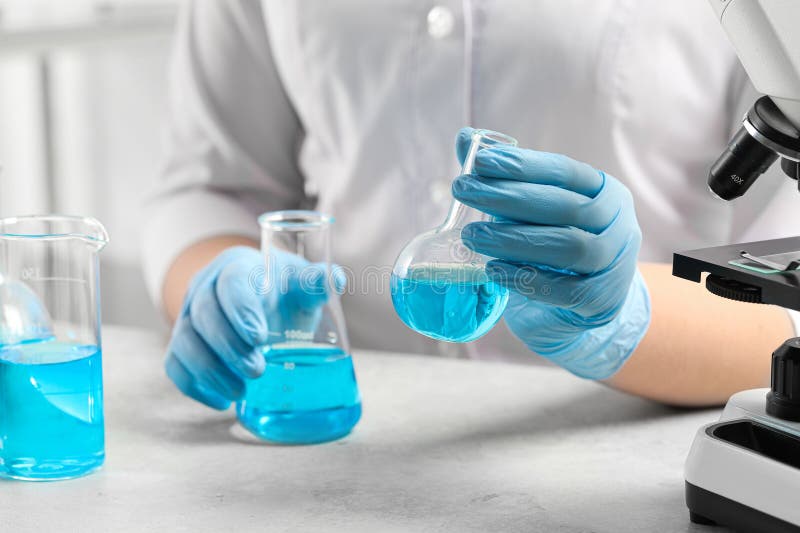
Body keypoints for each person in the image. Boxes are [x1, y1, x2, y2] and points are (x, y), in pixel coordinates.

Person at [142, 0, 797, 410]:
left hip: (619, 440)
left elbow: (786, 292)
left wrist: (619, 318)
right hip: (336, 423)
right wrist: (219, 283)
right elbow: (213, 186)